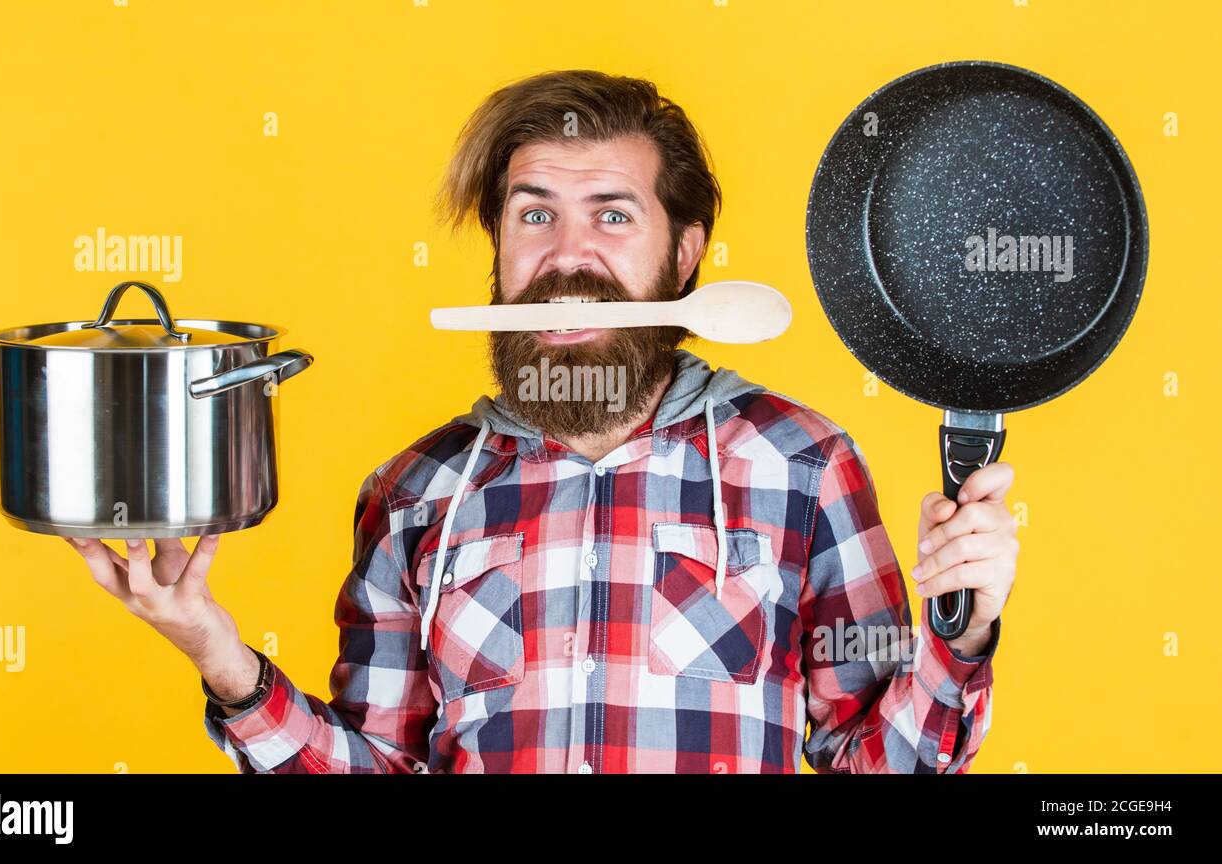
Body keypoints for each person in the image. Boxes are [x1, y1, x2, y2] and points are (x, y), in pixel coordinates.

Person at [66, 69, 1018, 774]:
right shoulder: (414, 496)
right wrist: (220, 658)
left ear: (684, 255)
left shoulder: (802, 464)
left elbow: (879, 761)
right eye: (534, 216)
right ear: (497, 247)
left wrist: (961, 636)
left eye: (612, 217)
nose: (567, 257)